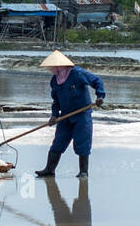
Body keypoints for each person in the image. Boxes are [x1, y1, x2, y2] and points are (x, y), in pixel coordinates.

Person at [34, 50, 106, 179]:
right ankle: (49, 169)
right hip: (65, 115)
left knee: (82, 142)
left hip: (82, 114)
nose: (52, 70)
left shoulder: (77, 74)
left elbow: (96, 80)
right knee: (58, 142)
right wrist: (54, 115)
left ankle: (83, 171)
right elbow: (56, 101)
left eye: (54, 67)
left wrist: (100, 96)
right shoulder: (55, 81)